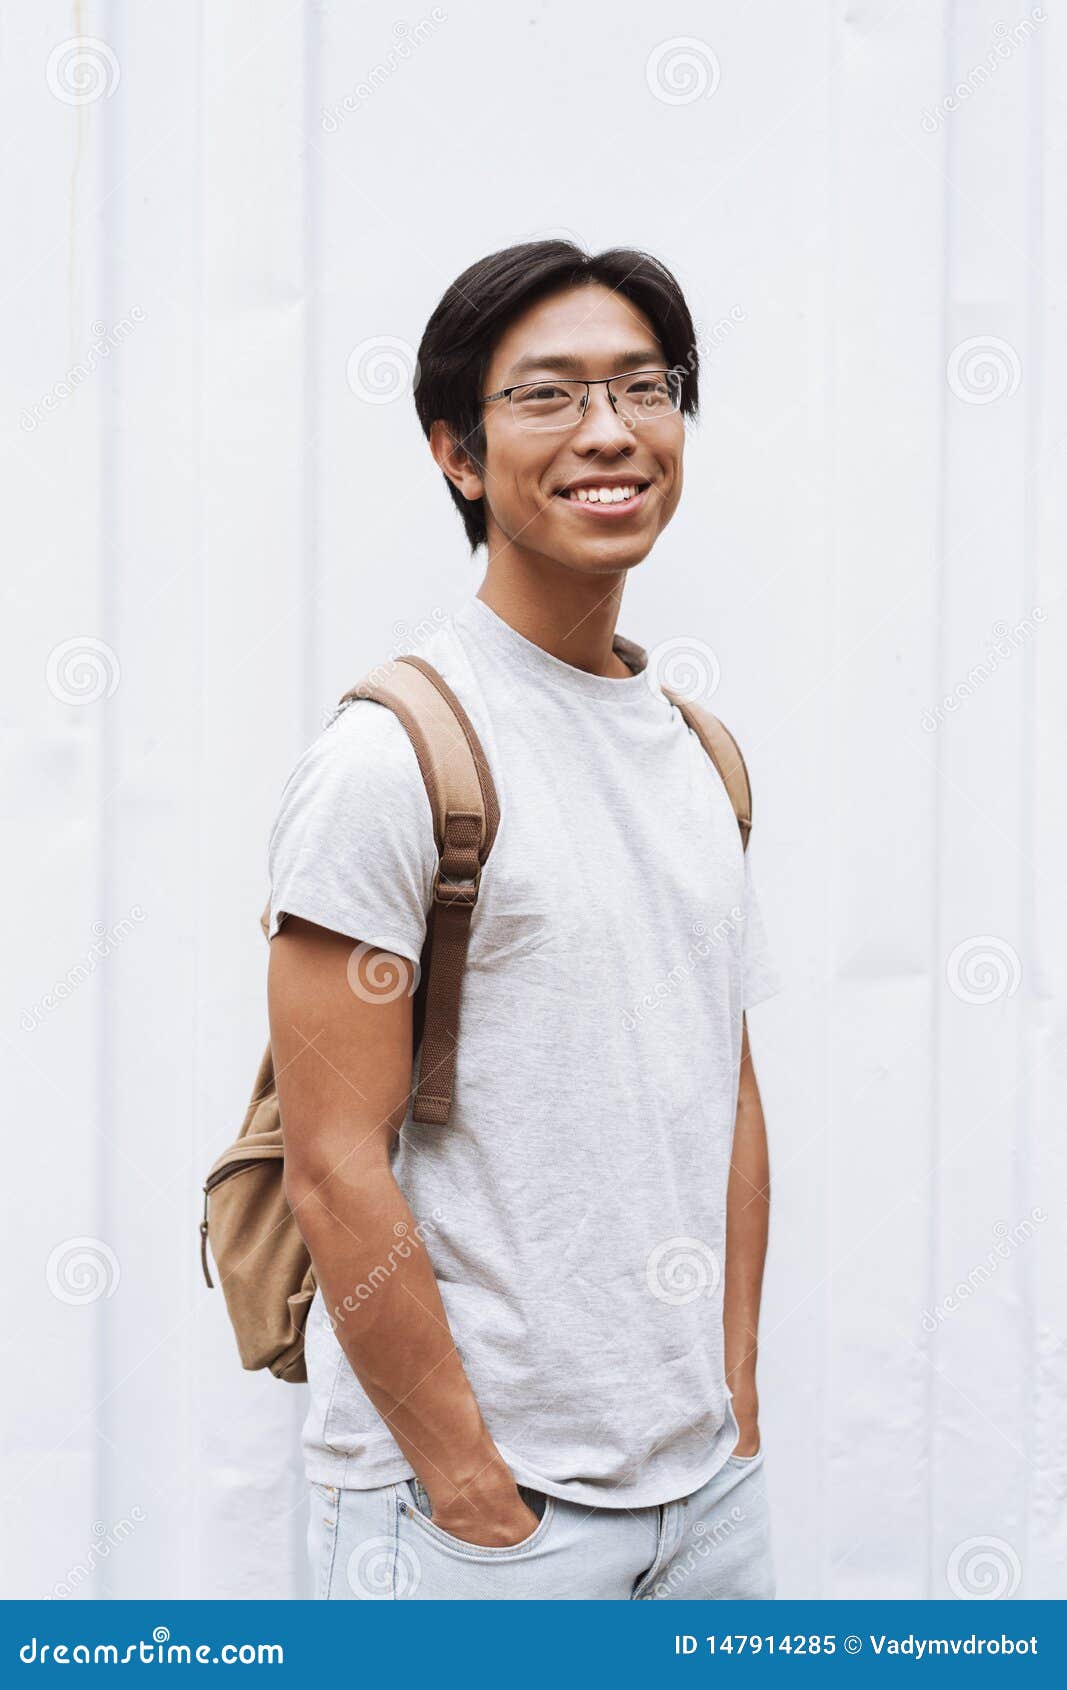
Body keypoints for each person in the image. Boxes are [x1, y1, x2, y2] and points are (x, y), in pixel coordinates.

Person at [266, 241, 782, 1600]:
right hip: (487, 1531)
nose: (609, 431)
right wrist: (471, 1492)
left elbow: (722, 1087)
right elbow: (330, 1159)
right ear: (457, 451)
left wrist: (733, 1409)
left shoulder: (702, 755)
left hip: (708, 1506)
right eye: (549, 396)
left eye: (643, 387)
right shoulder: (397, 754)